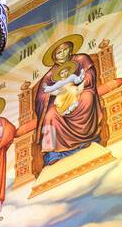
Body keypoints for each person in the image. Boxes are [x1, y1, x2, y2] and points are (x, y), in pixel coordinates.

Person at [34, 38, 103, 167]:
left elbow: (89, 74)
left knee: (87, 98)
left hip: (80, 91)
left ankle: (87, 139)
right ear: (54, 56)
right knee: (50, 116)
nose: (63, 53)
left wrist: (81, 85)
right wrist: (55, 93)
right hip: (61, 101)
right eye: (59, 52)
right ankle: (53, 153)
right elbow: (41, 96)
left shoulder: (81, 59)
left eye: (65, 49)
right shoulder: (50, 75)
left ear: (70, 49)